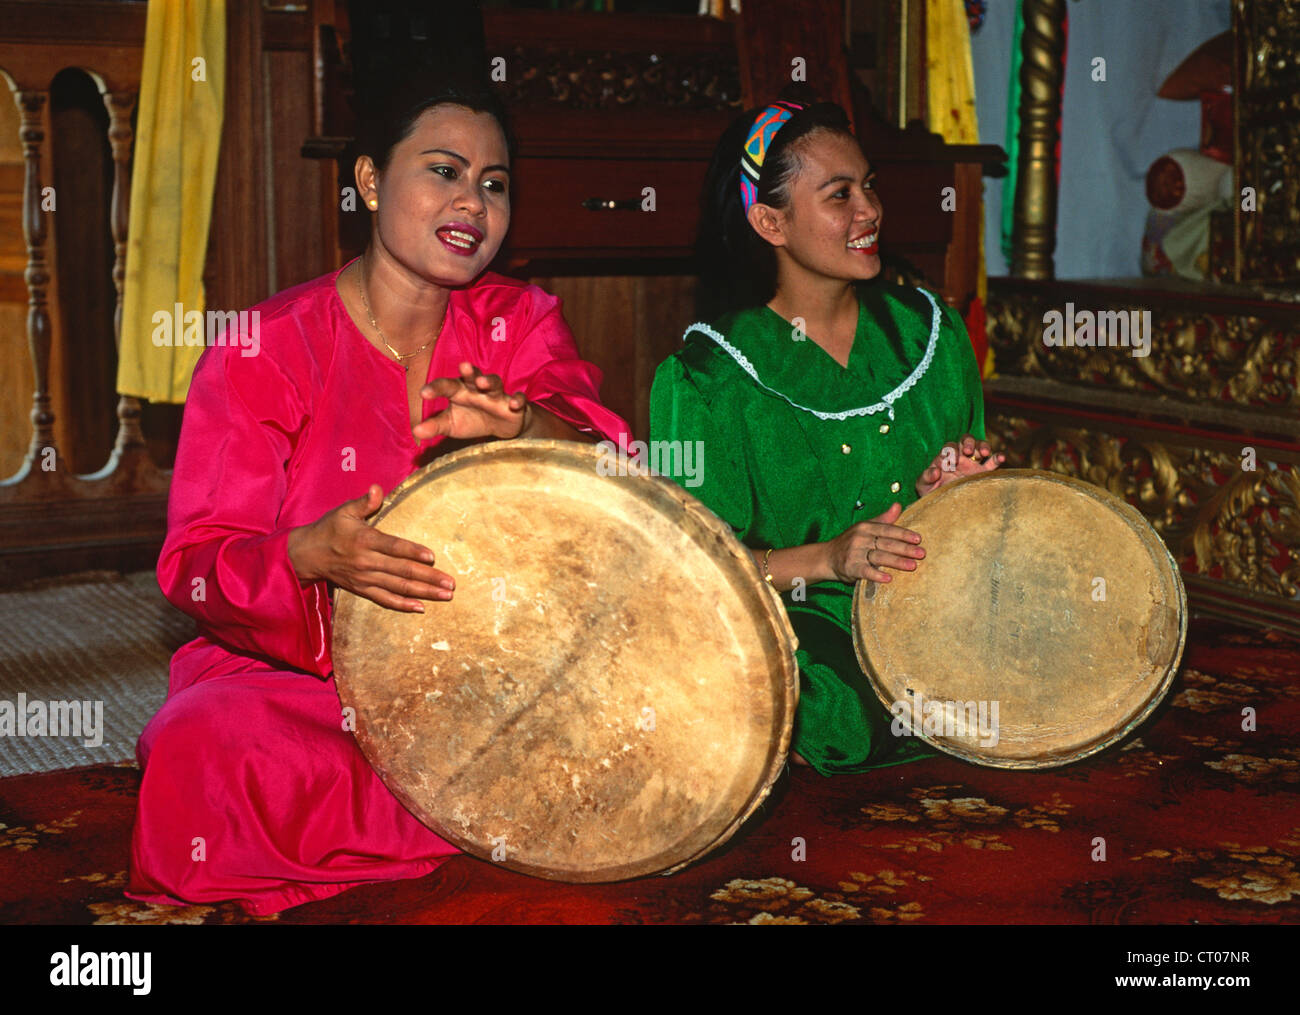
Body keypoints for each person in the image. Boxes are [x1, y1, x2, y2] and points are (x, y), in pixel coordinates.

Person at [126, 75, 632, 915]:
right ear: (368, 181)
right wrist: (306, 553)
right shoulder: (265, 348)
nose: (471, 200)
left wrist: (528, 429)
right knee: (202, 748)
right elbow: (196, 563)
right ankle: (467, 819)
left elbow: (622, 480)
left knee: (637, 718)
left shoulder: (522, 324)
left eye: (494, 184)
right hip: (309, 680)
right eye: (443, 170)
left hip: (497, 671)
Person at [650, 97, 1004, 776]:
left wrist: (950, 490)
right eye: (838, 194)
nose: (868, 209)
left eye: (868, 185)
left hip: (935, 599)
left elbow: (963, 506)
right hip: (806, 620)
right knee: (846, 708)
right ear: (769, 221)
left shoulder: (928, 332)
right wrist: (828, 559)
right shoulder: (710, 377)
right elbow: (692, 574)